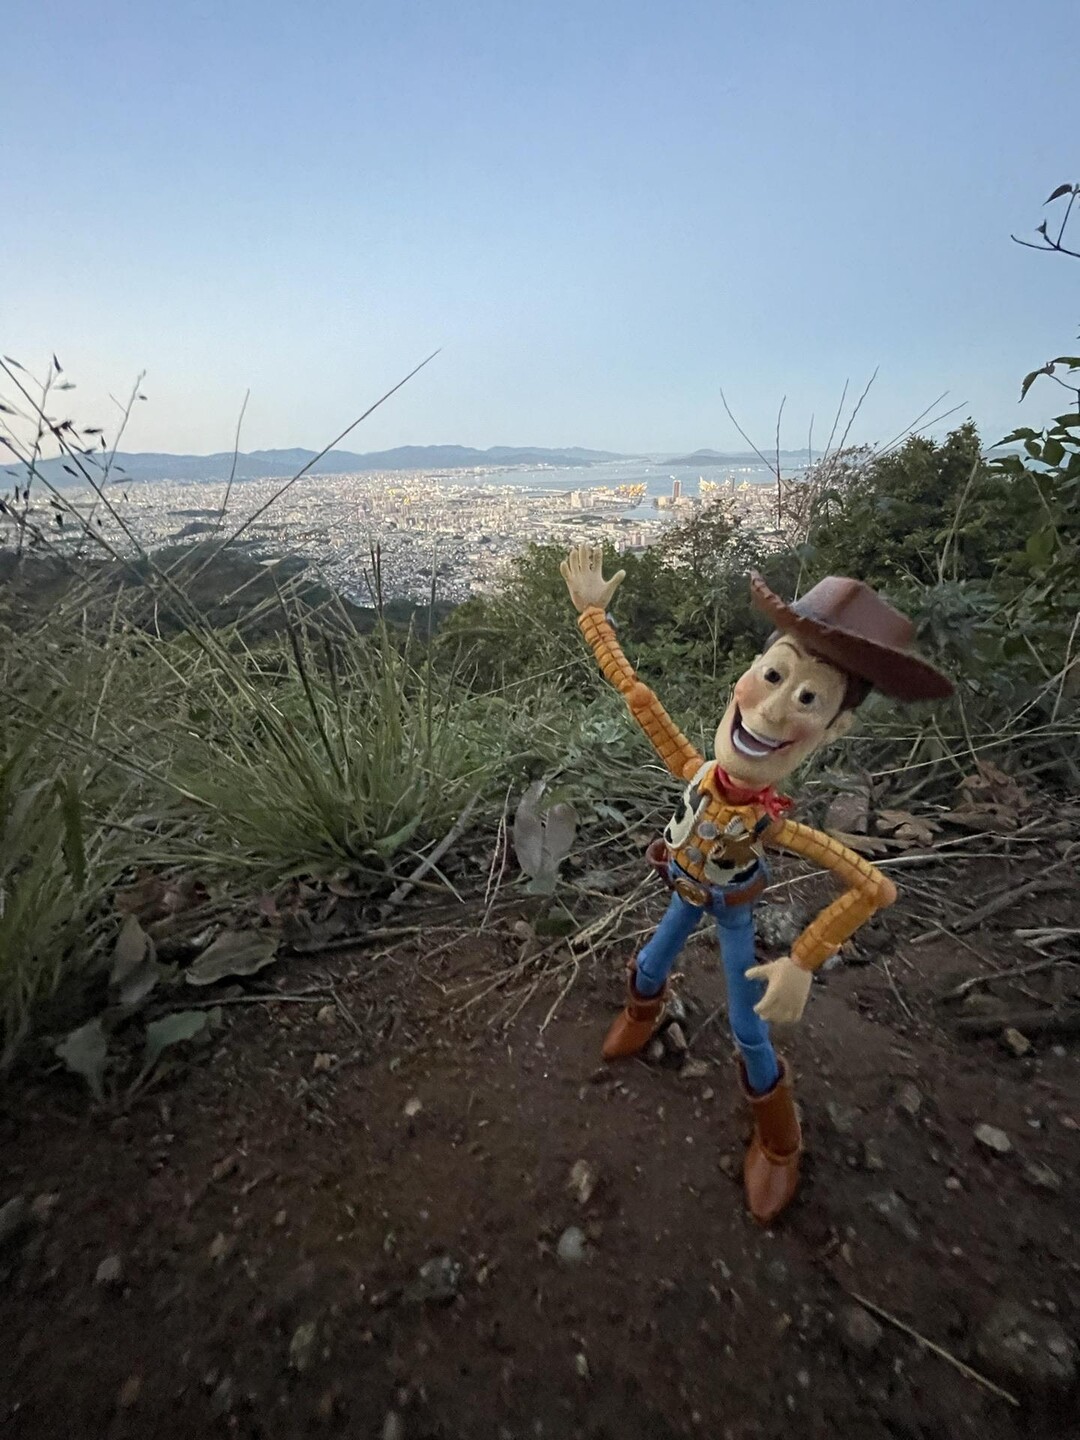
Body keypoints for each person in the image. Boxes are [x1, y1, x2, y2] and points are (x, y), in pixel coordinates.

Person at [560, 543, 953, 1224]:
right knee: (650, 965)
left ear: (834, 729)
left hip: (732, 907)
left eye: (807, 698)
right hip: (684, 889)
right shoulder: (697, 771)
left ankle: (779, 1138)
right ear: (747, 671)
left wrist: (802, 960)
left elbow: (871, 886)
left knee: (748, 1026)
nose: (771, 711)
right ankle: (642, 1015)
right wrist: (594, 617)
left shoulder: (770, 823)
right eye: (772, 675)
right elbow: (636, 695)